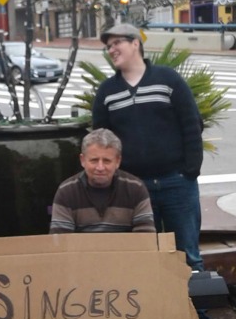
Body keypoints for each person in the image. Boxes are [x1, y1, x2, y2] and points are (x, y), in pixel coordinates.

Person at [92, 23, 204, 272]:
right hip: (134, 188)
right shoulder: (107, 93)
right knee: (143, 257)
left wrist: (190, 171)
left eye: (117, 43)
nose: (111, 50)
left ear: (135, 43)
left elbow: (192, 126)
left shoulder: (168, 80)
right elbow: (101, 142)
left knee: (188, 256)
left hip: (177, 184)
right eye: (108, 46)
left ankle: (196, 312)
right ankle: (153, 310)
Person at [50, 128, 155, 234]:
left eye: (107, 161)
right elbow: (61, 243)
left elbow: (145, 240)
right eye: (94, 160)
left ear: (118, 161)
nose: (100, 167)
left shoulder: (136, 189)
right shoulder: (67, 192)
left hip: (126, 250)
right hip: (81, 251)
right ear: (82, 160)